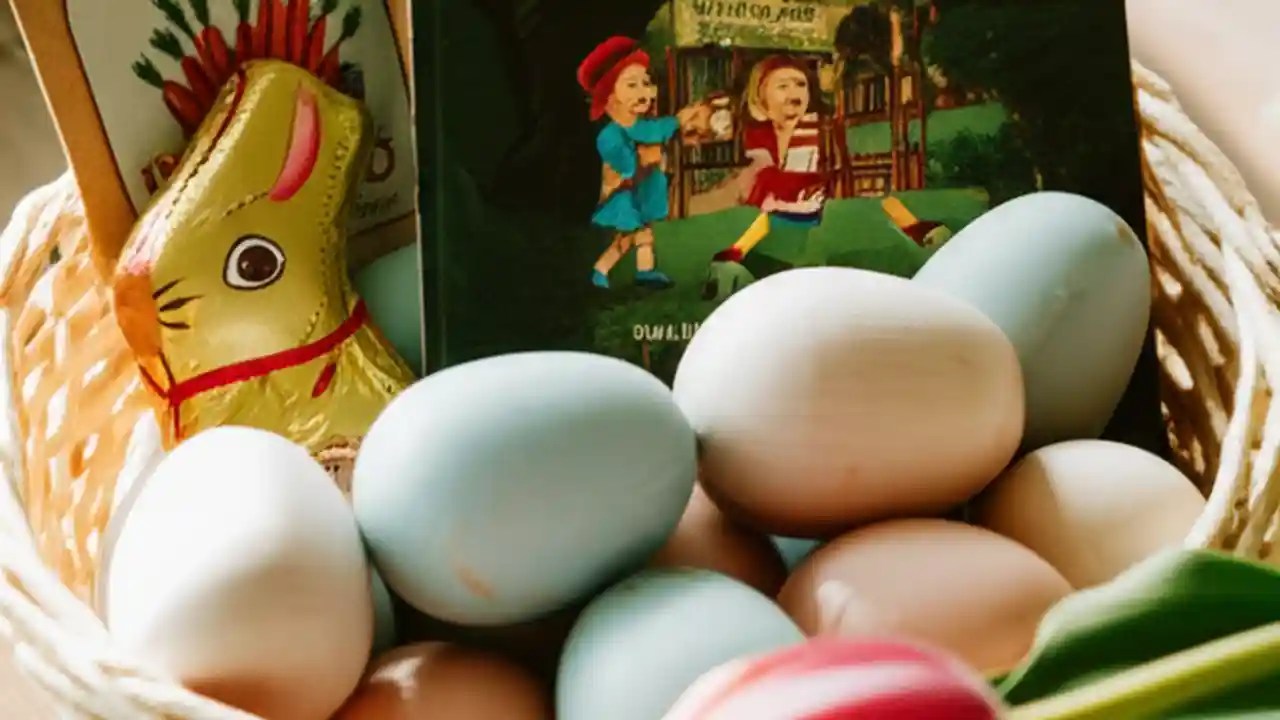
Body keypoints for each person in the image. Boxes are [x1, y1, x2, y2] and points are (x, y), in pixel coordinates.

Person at [577, 36, 711, 290]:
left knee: (638, 235)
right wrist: (649, 155)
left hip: (643, 191)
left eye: (646, 83)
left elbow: (656, 131)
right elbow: (629, 167)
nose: (644, 92)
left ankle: (641, 271)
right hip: (625, 195)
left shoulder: (642, 126)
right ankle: (603, 270)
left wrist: (683, 123)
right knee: (631, 235)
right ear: (610, 98)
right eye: (632, 85)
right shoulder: (611, 136)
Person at [704, 55, 830, 300]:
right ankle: (738, 263)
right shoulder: (759, 134)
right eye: (783, 86)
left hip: (803, 212)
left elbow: (803, 182)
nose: (794, 92)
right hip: (776, 212)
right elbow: (767, 177)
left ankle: (743, 266)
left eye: (800, 84)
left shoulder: (815, 129)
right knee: (761, 235)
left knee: (775, 242)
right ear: (761, 99)